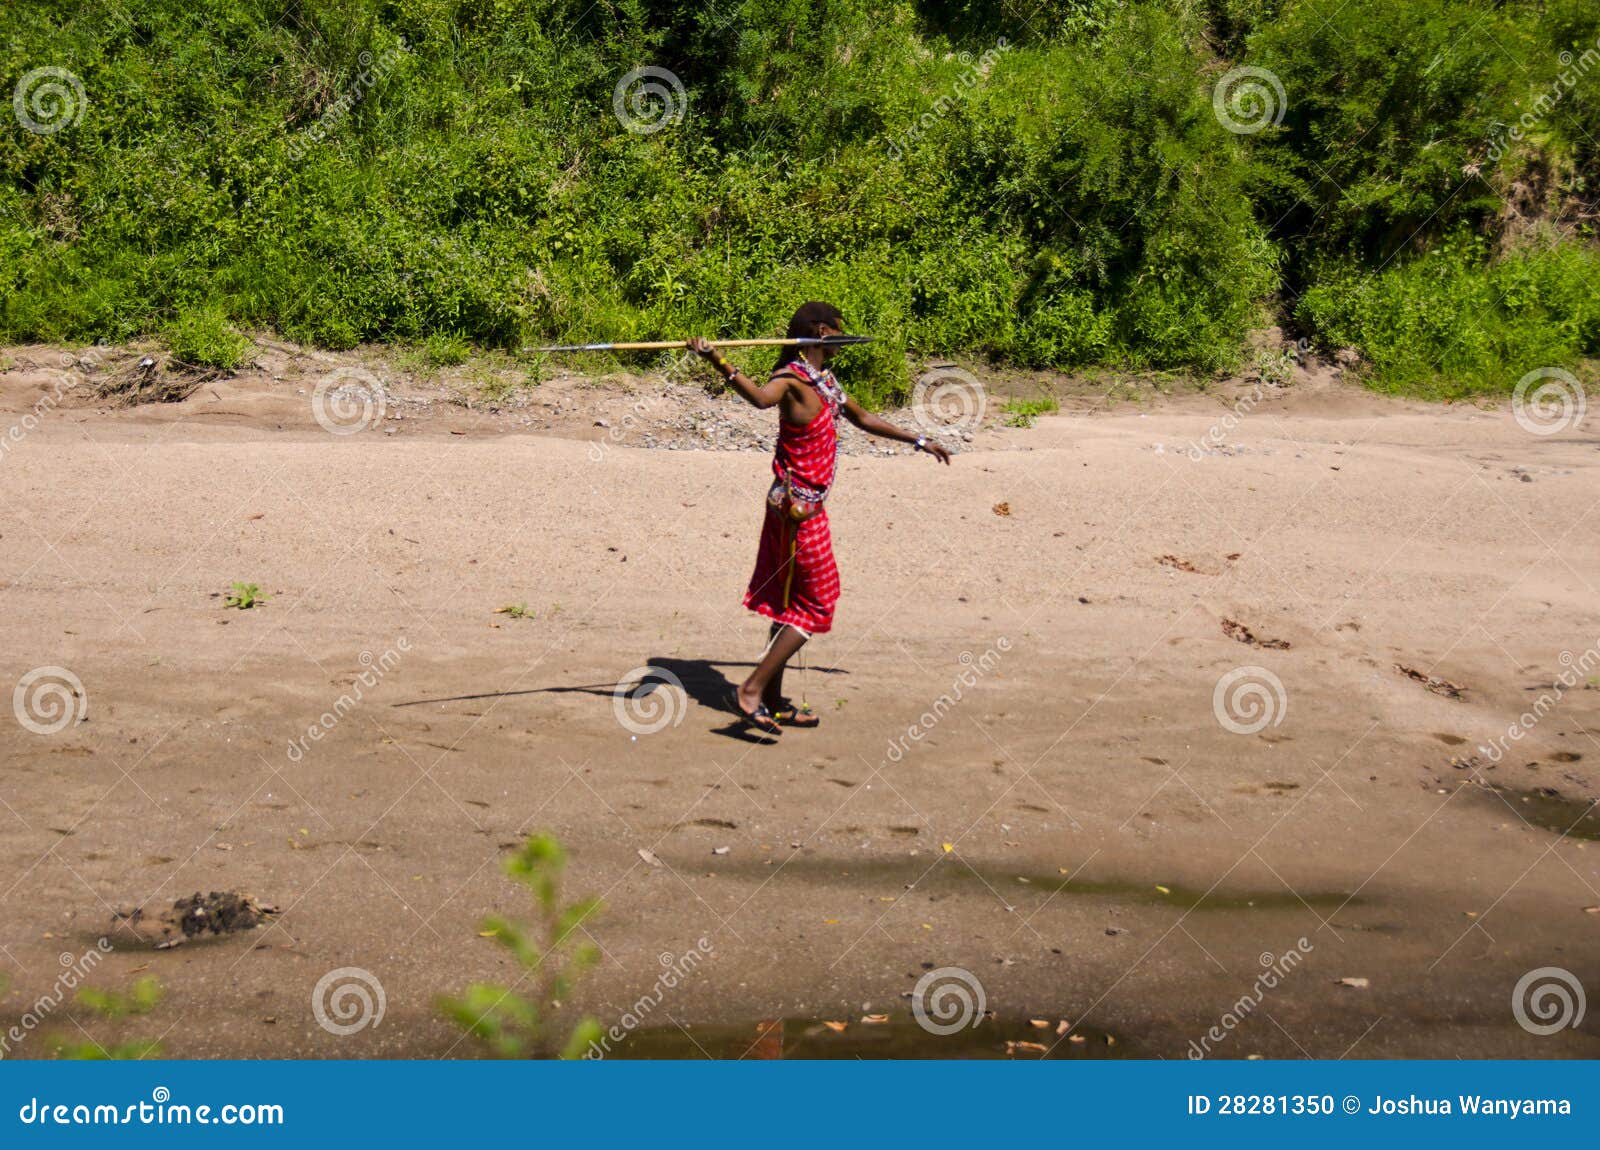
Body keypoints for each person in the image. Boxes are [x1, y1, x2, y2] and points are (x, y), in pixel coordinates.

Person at [688, 302, 951, 735]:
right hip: (797, 511)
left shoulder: (823, 380)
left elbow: (863, 418)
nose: (844, 339)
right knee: (817, 603)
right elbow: (758, 399)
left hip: (801, 507)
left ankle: (772, 700)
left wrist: (918, 439)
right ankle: (750, 691)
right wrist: (716, 358)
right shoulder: (790, 378)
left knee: (789, 603)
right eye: (838, 332)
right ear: (822, 333)